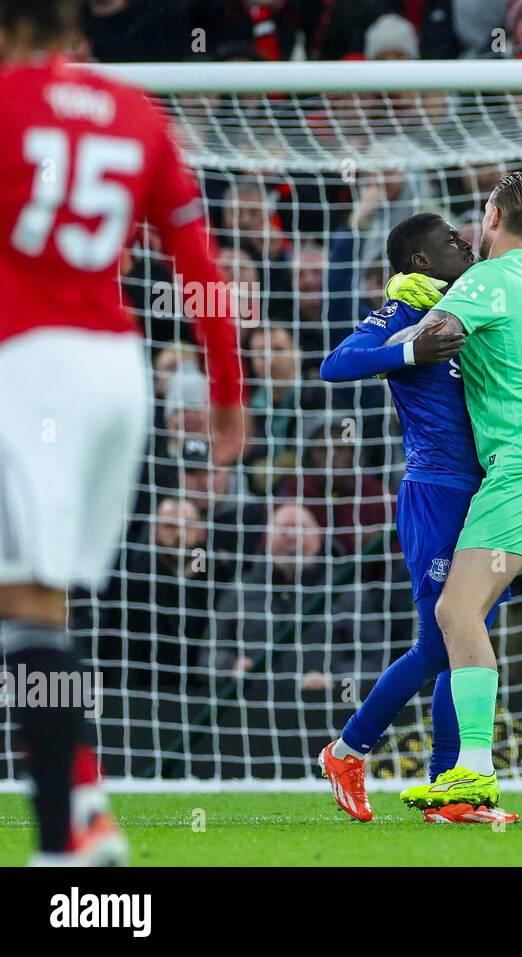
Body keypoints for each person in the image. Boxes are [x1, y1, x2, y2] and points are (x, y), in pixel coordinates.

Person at [0, 0, 243, 866]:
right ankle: (88, 798)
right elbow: (202, 268)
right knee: (45, 600)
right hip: (119, 374)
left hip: (29, 368)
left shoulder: (5, 101)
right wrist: (227, 388)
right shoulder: (135, 111)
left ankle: (68, 842)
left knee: (26, 609)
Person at [316, 212, 522, 824]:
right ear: (419, 262)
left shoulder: (474, 304)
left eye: (466, 233)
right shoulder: (408, 311)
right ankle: (348, 750)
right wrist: (410, 346)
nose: (465, 241)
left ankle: (451, 791)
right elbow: (335, 363)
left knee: (466, 638)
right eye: (448, 240)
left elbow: (518, 398)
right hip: (436, 490)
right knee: (444, 638)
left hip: (492, 489)